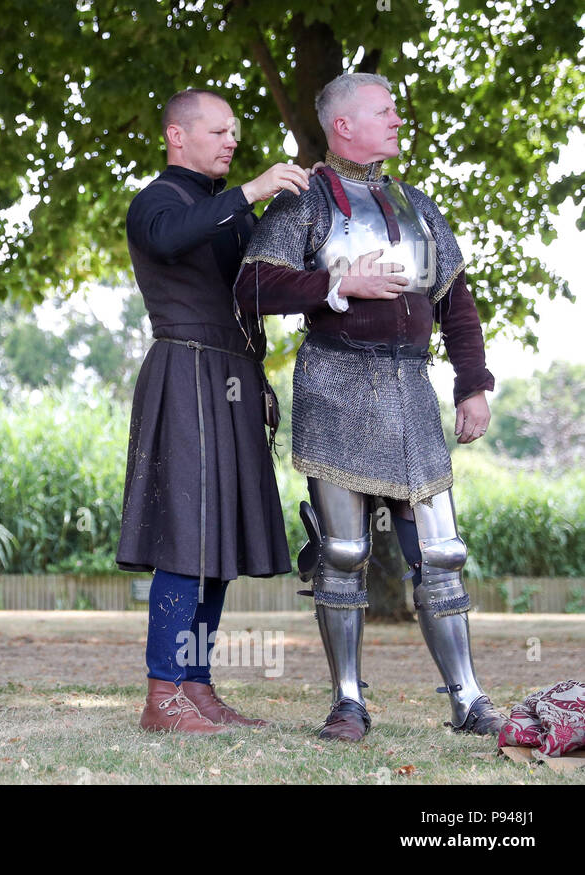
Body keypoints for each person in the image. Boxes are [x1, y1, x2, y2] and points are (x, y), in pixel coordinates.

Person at [235, 72, 506, 741]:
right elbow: (251, 283)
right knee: (346, 550)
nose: (397, 120)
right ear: (342, 125)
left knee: (441, 554)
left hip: (412, 392)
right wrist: (335, 281)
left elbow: (455, 302)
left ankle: (469, 698)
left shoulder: (417, 204)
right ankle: (348, 702)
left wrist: (473, 383)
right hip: (336, 389)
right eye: (383, 112)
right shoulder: (304, 201)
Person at [119, 88, 309, 733]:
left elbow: (256, 290)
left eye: (235, 132)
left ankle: (195, 687)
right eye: (219, 131)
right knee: (185, 535)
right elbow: (172, 240)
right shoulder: (159, 201)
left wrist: (339, 283)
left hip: (231, 374)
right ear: (178, 136)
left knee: (218, 540)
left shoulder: (226, 210)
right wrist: (253, 191)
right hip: (185, 372)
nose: (232, 140)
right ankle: (161, 695)